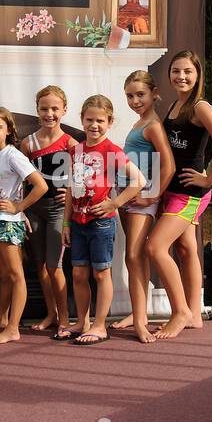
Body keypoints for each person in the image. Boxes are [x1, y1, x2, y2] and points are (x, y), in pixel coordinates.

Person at [146, 50, 212, 339]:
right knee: (185, 249)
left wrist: (209, 177)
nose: (181, 76)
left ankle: (180, 311)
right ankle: (195, 314)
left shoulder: (200, 107)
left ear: (197, 75)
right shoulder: (176, 104)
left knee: (155, 247)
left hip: (190, 194)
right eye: (176, 71)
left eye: (188, 71)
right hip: (173, 191)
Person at [62, 95, 144, 345]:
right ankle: (82, 321)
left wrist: (115, 202)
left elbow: (139, 181)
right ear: (81, 120)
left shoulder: (112, 150)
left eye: (100, 120)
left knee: (100, 274)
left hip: (101, 223)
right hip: (77, 222)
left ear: (110, 122)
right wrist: (66, 223)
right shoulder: (75, 149)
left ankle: (100, 325)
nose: (94, 125)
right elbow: (70, 188)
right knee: (78, 274)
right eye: (89, 120)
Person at [110, 70, 175, 344]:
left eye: (140, 95)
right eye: (129, 96)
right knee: (134, 259)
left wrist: (152, 196)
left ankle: (139, 322)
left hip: (140, 199)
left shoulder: (153, 125)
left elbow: (168, 165)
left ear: (154, 94)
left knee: (134, 258)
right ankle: (141, 314)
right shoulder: (140, 123)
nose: (135, 100)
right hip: (128, 196)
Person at [0, 106, 48, 345]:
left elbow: (40, 186)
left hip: (8, 222)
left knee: (16, 275)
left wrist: (19, 208)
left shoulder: (13, 155)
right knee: (2, 273)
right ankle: (0, 318)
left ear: (8, 130)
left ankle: (14, 328)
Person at [22, 86, 78, 341]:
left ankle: (65, 318)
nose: (50, 113)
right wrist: (20, 209)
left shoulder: (70, 144)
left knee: (55, 266)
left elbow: (83, 177)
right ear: (37, 110)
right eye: (44, 109)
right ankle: (51, 314)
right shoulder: (28, 143)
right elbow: (19, 180)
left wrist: (72, 193)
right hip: (35, 210)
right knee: (42, 266)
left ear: (64, 110)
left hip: (58, 210)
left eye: (55, 109)